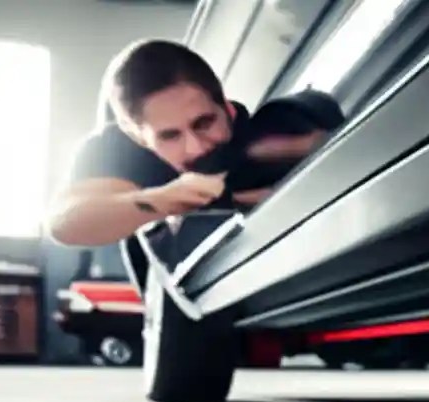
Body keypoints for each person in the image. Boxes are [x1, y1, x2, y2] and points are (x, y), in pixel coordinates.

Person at [46, 39, 343, 248]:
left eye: (204, 123)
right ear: (138, 137)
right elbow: (64, 223)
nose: (196, 148)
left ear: (226, 107)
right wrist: (172, 198)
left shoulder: (274, 125)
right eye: (170, 136)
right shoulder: (122, 152)